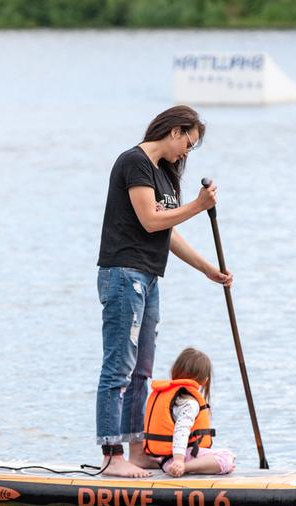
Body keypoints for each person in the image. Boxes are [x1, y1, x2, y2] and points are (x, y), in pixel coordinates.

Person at [95, 105, 233, 478]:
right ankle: (112, 454)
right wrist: (197, 206)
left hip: (150, 278)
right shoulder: (134, 163)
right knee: (118, 367)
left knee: (142, 370)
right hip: (123, 275)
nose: (186, 153)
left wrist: (209, 270)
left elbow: (168, 233)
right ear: (174, 131)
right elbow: (151, 221)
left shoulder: (164, 177)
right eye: (188, 143)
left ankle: (138, 450)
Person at [143, 347, 236, 477]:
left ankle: (181, 465)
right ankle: (185, 468)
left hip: (163, 458)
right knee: (227, 457)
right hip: (177, 458)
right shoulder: (190, 403)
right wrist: (179, 461)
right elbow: (181, 430)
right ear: (205, 381)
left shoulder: (166, 396)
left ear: (174, 371)